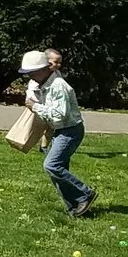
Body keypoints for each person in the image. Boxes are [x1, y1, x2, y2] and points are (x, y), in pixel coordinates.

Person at [20, 48, 95, 217]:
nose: (30, 76)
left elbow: (60, 114)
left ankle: (85, 193)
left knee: (51, 165)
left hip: (70, 130)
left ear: (43, 69)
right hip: (60, 130)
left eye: (32, 72)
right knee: (59, 170)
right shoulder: (45, 84)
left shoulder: (58, 86)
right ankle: (76, 208)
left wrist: (35, 106)